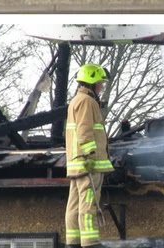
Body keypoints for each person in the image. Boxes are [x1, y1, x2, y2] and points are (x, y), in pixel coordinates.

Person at [65, 63, 113, 248]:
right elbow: (85, 130)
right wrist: (90, 156)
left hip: (76, 163)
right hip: (88, 163)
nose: (101, 86)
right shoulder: (87, 101)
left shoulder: (76, 100)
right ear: (91, 82)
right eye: (100, 82)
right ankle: (90, 242)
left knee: (75, 205)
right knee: (88, 203)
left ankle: (73, 242)